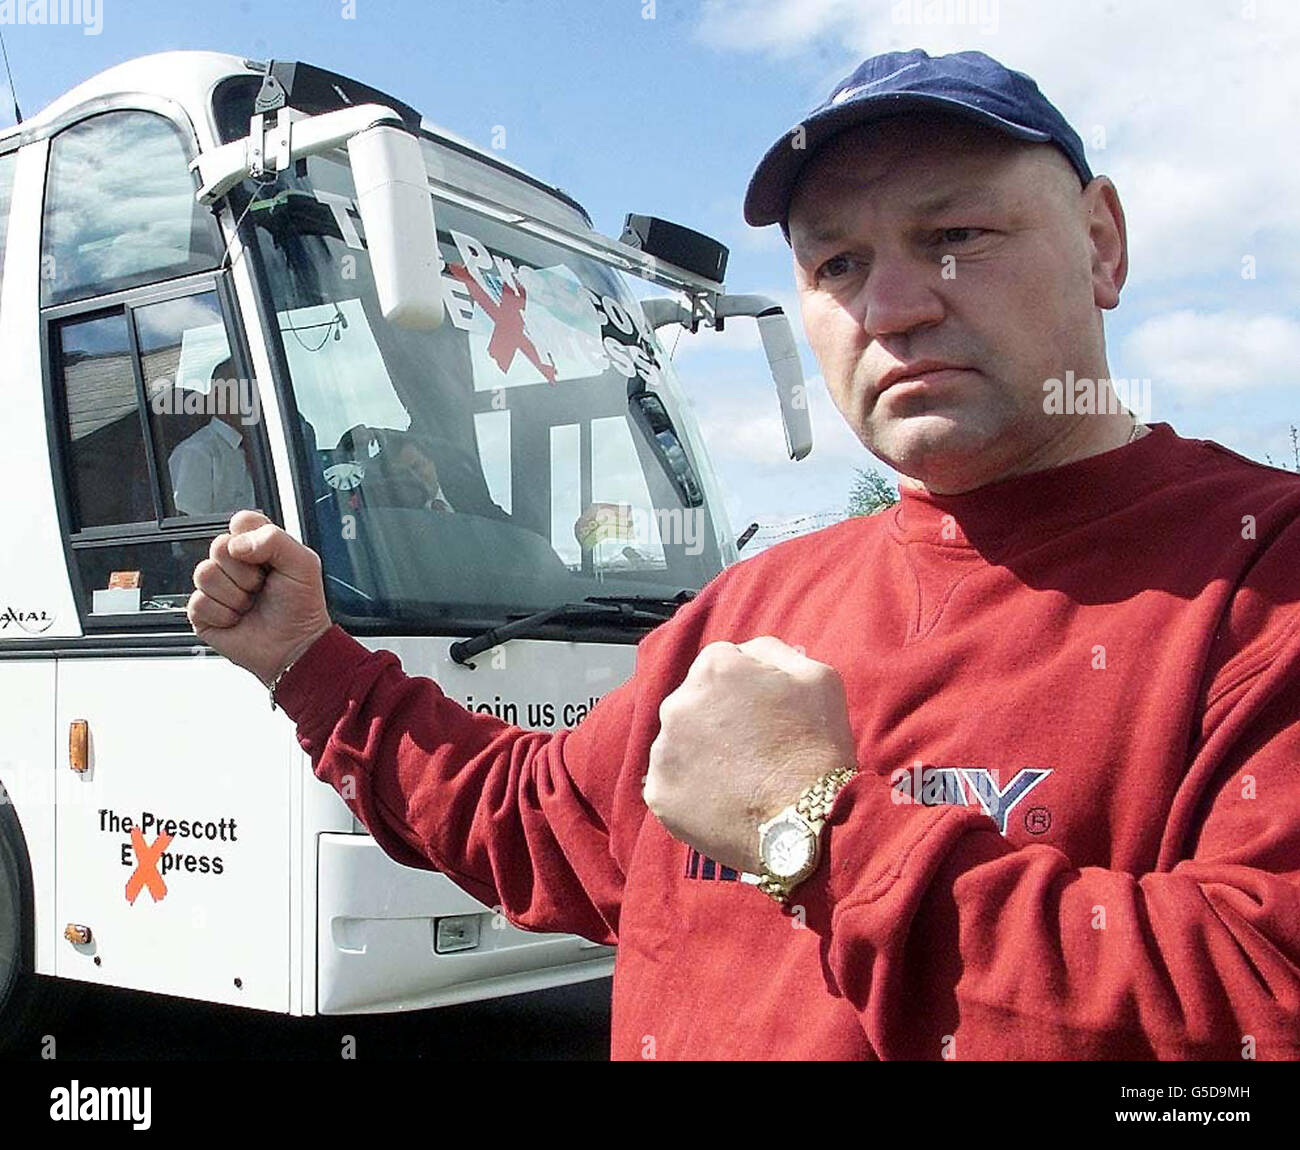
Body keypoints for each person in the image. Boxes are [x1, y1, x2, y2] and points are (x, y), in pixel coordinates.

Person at [186, 49, 1300, 1060]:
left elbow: (1257, 1006)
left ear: (1101, 241)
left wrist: (812, 831)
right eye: (837, 265)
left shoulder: (1264, 574)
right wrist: (307, 663)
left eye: (955, 237)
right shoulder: (747, 611)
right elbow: (528, 820)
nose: (893, 307)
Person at [167, 357, 256, 517]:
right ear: (217, 396)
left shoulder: (262, 447)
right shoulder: (197, 453)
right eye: (242, 389)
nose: (253, 398)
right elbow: (189, 534)